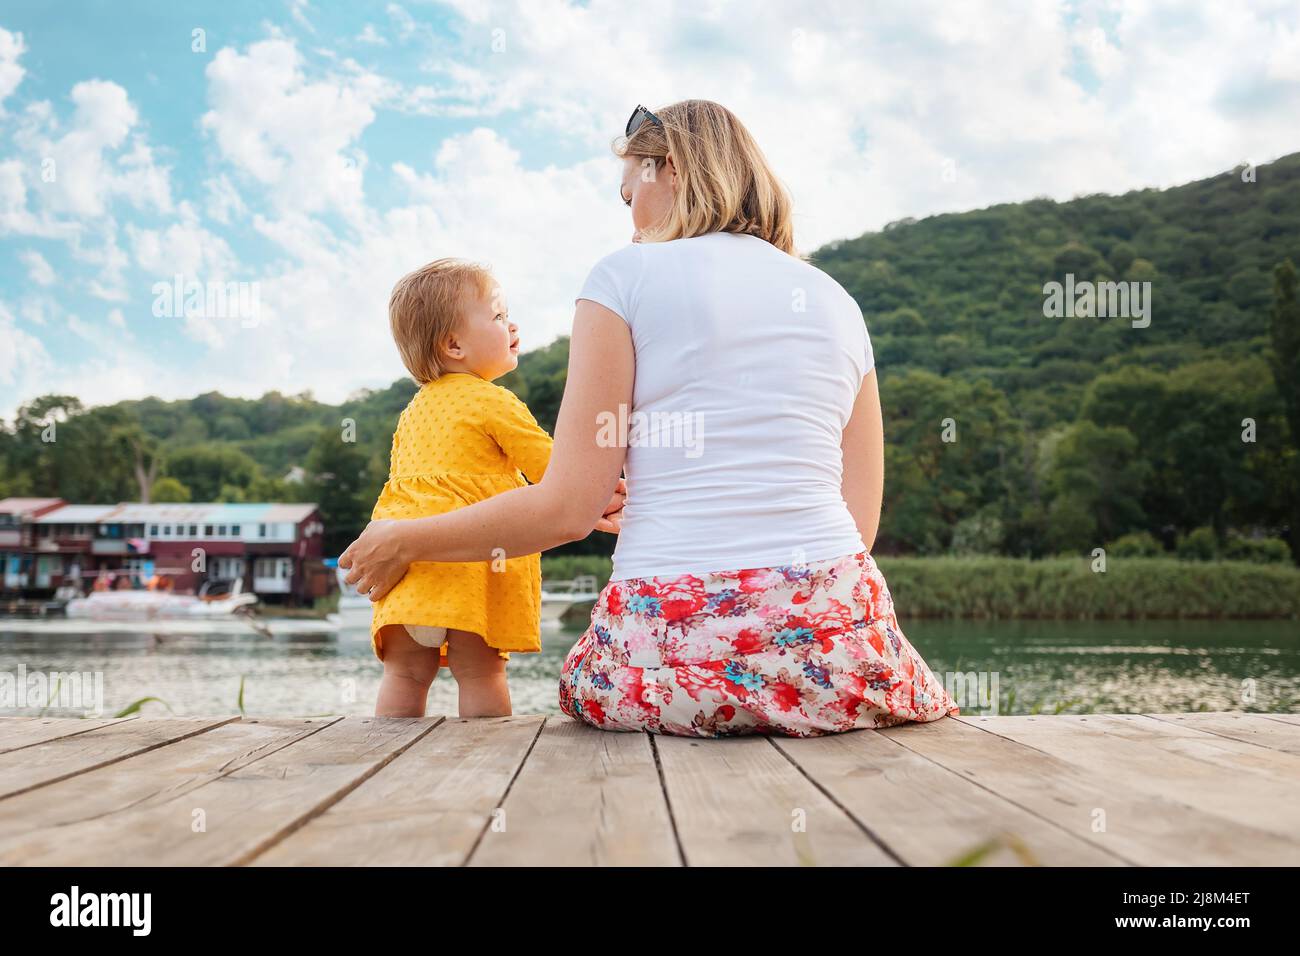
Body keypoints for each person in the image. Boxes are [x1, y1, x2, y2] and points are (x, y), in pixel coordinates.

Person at [341, 99, 959, 737]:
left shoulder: (622, 277)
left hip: (670, 664)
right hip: (840, 655)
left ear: (668, 171)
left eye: (627, 189)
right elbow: (859, 522)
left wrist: (403, 540)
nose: (629, 216)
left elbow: (566, 510)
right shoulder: (838, 301)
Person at [363, 258, 625, 719]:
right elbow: (555, 469)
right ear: (454, 344)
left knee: (404, 673)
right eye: (500, 317)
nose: (512, 324)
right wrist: (607, 489)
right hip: (469, 564)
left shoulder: (413, 410)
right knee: (481, 672)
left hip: (410, 565)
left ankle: (385, 750)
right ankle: (486, 757)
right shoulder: (492, 400)